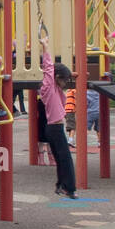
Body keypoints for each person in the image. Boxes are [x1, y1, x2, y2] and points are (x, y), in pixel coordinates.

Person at [38, 35, 76, 198]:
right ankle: (69, 188)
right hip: (55, 128)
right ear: (57, 78)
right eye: (65, 80)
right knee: (66, 159)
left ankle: (61, 185)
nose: (66, 83)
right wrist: (45, 47)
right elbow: (48, 69)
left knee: (61, 158)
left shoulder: (57, 91)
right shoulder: (48, 87)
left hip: (54, 127)